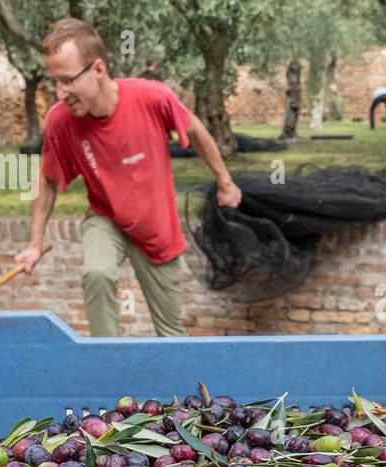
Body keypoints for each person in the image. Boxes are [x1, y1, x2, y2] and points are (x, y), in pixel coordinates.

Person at [14, 18, 242, 338]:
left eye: (67, 81)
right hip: (106, 216)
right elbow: (48, 180)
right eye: (54, 82)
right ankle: (107, 363)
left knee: (171, 333)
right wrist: (35, 244)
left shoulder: (152, 98)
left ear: (98, 69)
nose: (60, 93)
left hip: (156, 225)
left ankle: (176, 385)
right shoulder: (60, 121)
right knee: (97, 272)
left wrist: (225, 181)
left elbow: (194, 130)